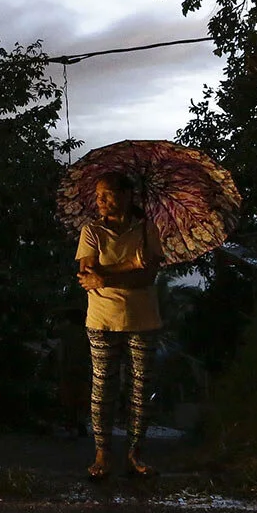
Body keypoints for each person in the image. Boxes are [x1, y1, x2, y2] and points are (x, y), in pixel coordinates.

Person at [75, 171, 163, 479]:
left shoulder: (147, 230)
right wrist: (130, 265)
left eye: (107, 194)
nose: (100, 200)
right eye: (98, 194)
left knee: (140, 388)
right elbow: (88, 276)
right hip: (102, 319)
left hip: (143, 320)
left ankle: (135, 453)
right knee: (103, 387)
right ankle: (102, 453)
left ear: (126, 195)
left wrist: (108, 275)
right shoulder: (91, 231)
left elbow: (148, 277)